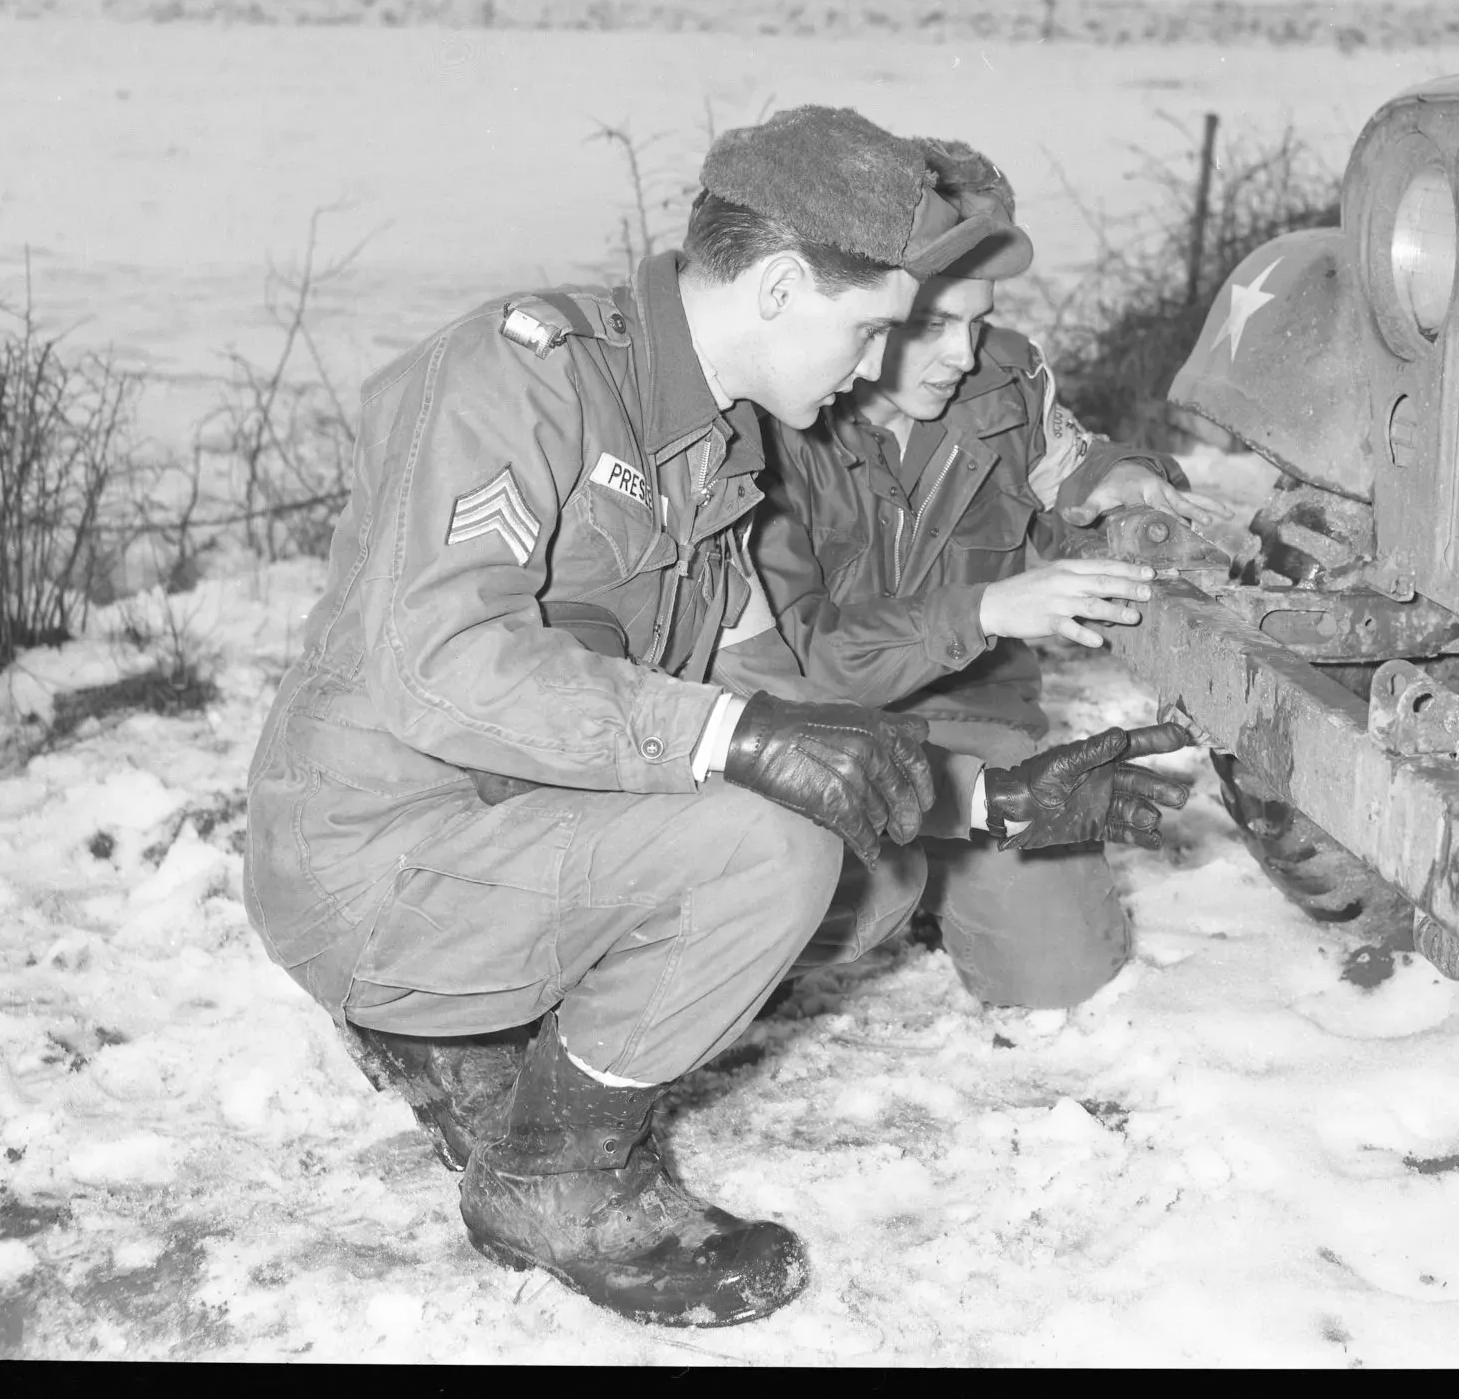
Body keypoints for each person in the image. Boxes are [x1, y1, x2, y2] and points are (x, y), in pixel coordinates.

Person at [241, 106, 1185, 1329]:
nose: (872, 368)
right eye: (870, 329)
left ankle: (481, 1045)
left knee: (850, 853)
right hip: (369, 860)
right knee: (771, 845)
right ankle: (554, 1178)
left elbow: (783, 705)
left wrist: (989, 801)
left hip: (511, 844)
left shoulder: (713, 442)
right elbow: (440, 664)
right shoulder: (516, 378)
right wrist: (731, 742)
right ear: (785, 287)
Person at [747, 137, 1212, 1011]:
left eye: (977, 320)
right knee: (816, 907)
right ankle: (902, 882)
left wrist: (1119, 480)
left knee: (1065, 977)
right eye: (931, 324)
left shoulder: (1004, 374)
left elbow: (1067, 465)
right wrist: (996, 606)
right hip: (823, 731)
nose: (962, 352)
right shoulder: (771, 417)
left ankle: (953, 873)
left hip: (974, 730)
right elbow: (799, 660)